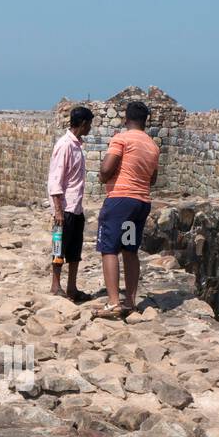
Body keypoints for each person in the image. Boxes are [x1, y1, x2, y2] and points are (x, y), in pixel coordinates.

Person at [94, 100, 159, 318]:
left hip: (120, 200)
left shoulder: (121, 139)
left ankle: (113, 303)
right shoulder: (152, 145)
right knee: (130, 249)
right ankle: (130, 301)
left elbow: (106, 168)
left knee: (109, 248)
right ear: (145, 121)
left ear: (126, 119)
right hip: (141, 203)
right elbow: (153, 179)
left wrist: (104, 177)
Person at [47, 105, 93, 301]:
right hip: (64, 208)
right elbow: (55, 180)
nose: (90, 128)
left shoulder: (77, 146)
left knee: (75, 250)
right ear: (83, 124)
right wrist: (58, 211)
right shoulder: (65, 145)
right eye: (89, 124)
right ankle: (56, 285)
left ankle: (72, 287)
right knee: (60, 248)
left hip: (76, 207)